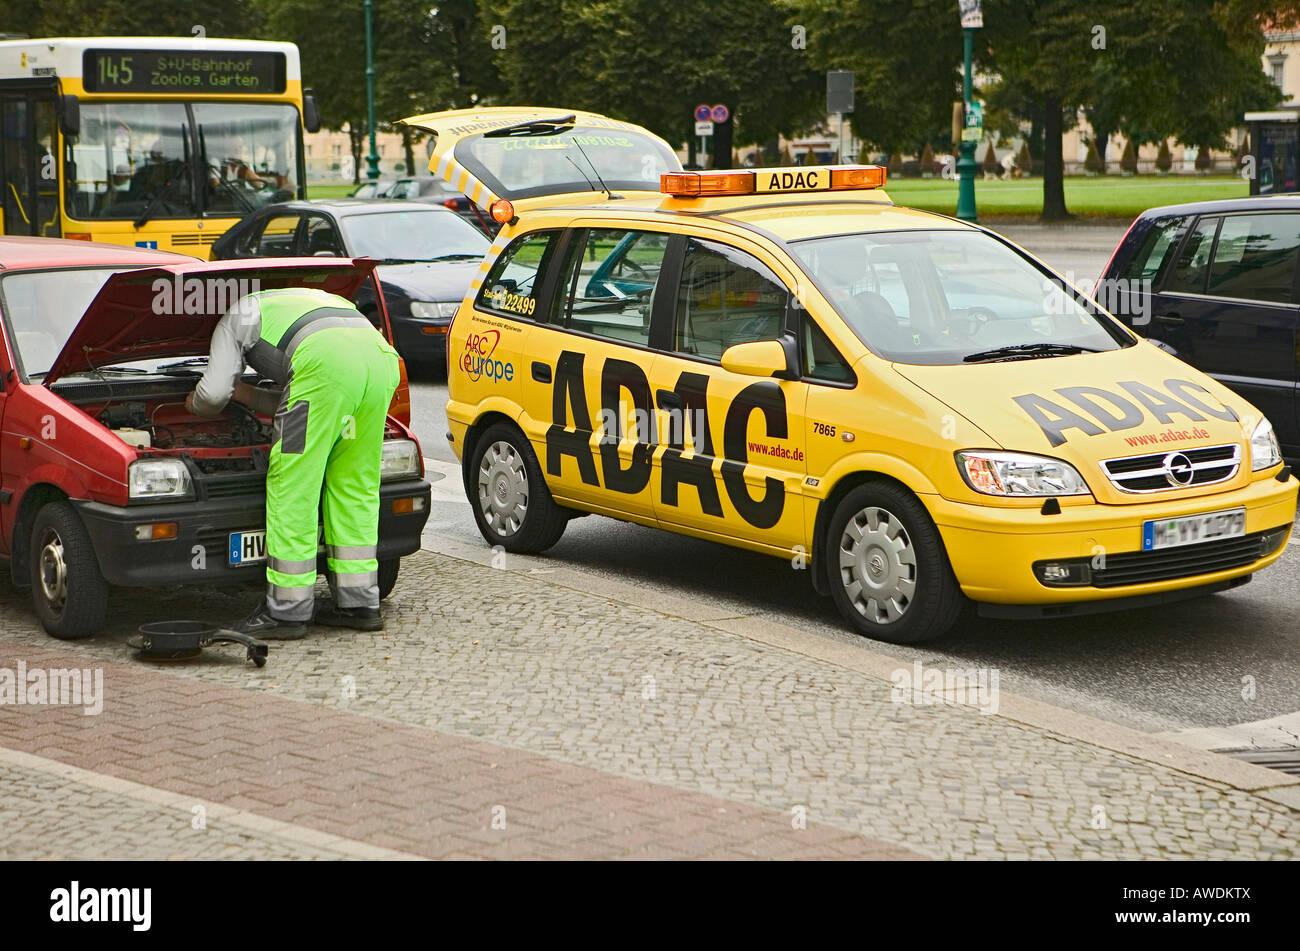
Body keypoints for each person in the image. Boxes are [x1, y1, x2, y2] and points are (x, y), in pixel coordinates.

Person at [185, 288, 401, 638]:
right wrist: (248, 394)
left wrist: (192, 404)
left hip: (323, 366)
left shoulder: (237, 315)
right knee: (355, 484)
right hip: (380, 363)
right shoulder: (310, 299)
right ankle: (359, 604)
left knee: (294, 483)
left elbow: (213, 395)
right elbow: (311, 398)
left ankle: (287, 611)